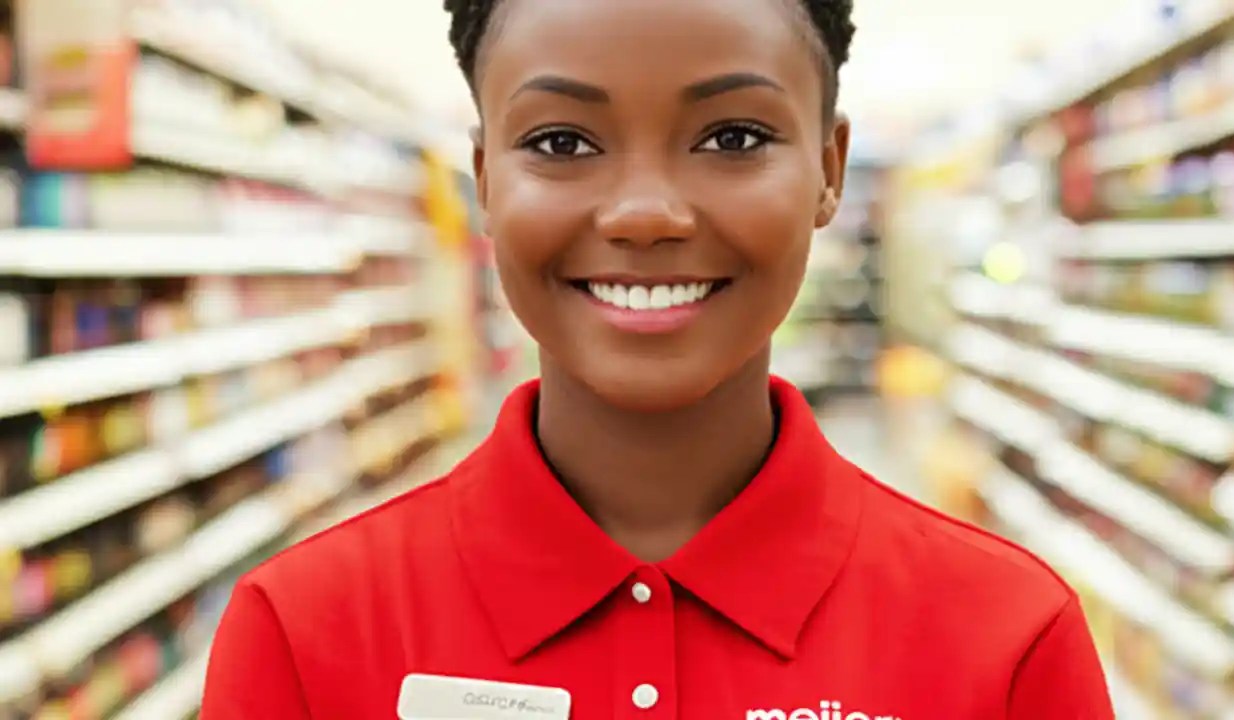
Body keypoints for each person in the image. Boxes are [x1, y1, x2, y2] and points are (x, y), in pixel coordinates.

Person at [201, 0, 1116, 717]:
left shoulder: (1008, 639)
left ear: (829, 170)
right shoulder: (304, 633)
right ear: (484, 179)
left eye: (734, 138)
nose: (646, 213)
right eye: (561, 142)